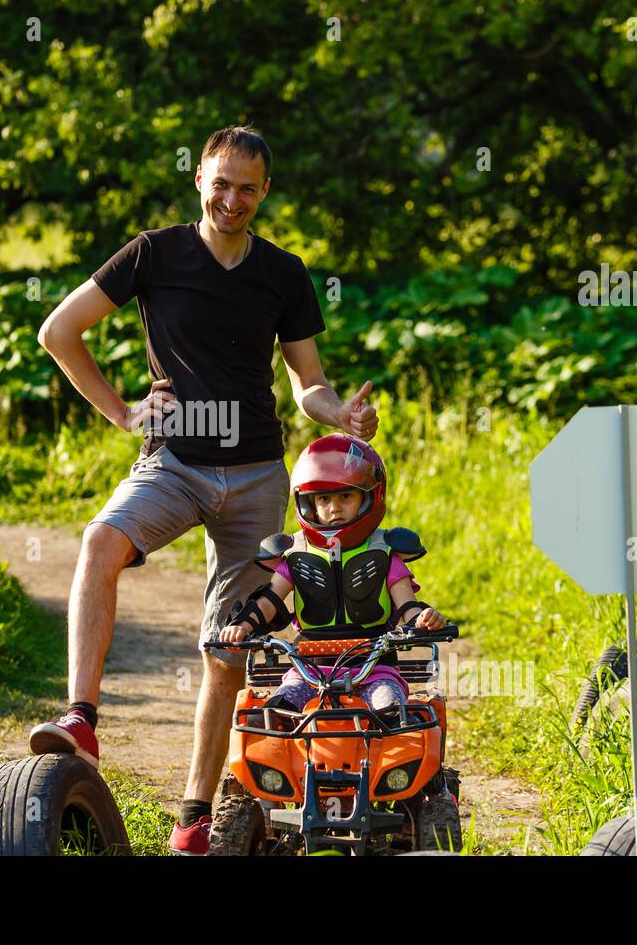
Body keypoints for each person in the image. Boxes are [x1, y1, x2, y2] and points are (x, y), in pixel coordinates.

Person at [30, 125, 379, 855]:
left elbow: (307, 382)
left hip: (255, 476)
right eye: (220, 183)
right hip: (174, 465)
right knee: (100, 539)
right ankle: (80, 718)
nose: (232, 199)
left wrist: (339, 412)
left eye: (247, 188)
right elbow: (59, 331)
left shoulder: (284, 272)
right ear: (199, 180)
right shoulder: (154, 253)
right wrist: (123, 412)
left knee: (227, 651)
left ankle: (192, 818)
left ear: (265, 192)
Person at [217, 433, 448, 722]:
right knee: (273, 715)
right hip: (308, 671)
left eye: (345, 496)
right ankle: (274, 770)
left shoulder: (387, 552)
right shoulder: (294, 552)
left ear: (369, 496)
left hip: (375, 669)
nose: (334, 508)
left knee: (392, 714)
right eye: (323, 498)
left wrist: (423, 619)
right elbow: (270, 599)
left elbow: (407, 606)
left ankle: (395, 769)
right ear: (308, 502)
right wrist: (242, 625)